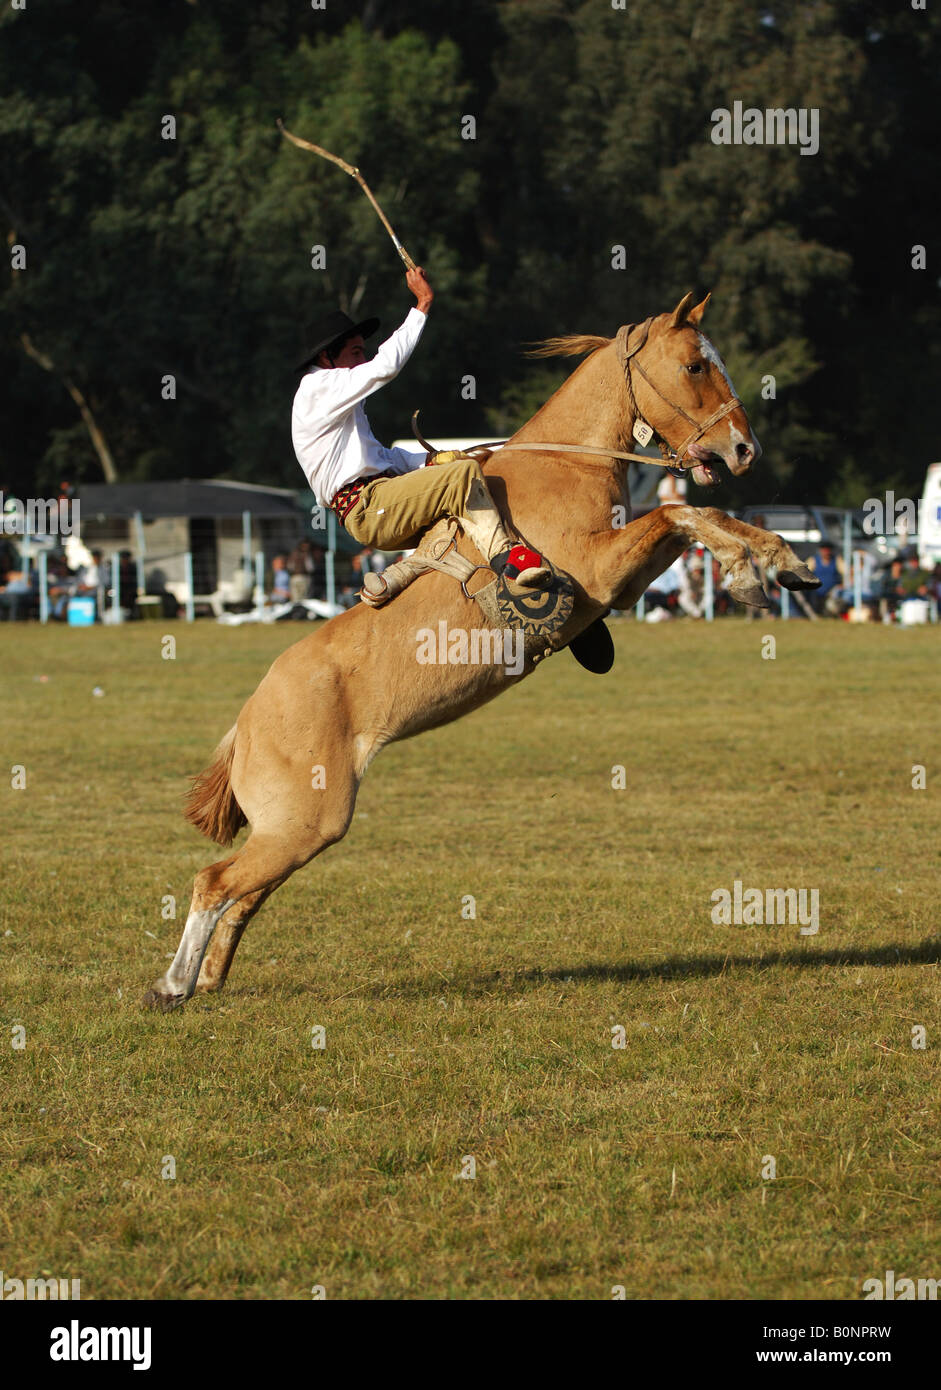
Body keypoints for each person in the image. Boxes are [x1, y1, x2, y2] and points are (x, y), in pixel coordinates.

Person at [291, 266, 549, 607]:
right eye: (355, 352)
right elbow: (386, 367)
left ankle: (397, 577)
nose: (363, 358)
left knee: (470, 494)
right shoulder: (318, 387)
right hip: (368, 507)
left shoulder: (334, 401)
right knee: (462, 478)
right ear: (326, 357)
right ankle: (510, 563)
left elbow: (382, 458)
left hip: (377, 503)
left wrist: (433, 459)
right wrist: (423, 304)